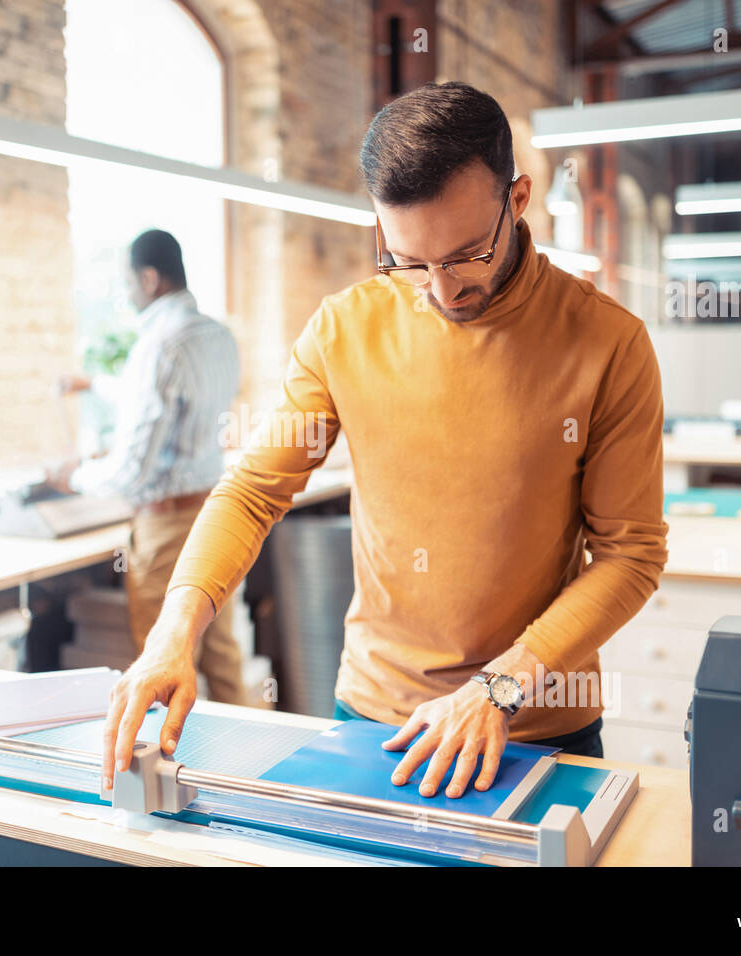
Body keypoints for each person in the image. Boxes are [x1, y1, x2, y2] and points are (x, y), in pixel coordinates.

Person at [102, 83, 669, 800]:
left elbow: (631, 555)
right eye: (409, 260)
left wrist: (500, 687)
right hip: (377, 718)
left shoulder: (608, 344)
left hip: (536, 724)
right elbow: (252, 492)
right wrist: (174, 628)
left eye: (466, 254)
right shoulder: (346, 328)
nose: (441, 288)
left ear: (518, 199)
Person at [50, 229, 245, 704]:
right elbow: (161, 398)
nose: (127, 293)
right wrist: (94, 384)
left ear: (151, 278)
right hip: (217, 516)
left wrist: (72, 478)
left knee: (164, 670)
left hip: (165, 527)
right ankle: (243, 773)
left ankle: (182, 775)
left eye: (129, 282)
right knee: (223, 656)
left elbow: (132, 470)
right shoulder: (218, 337)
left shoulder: (157, 345)